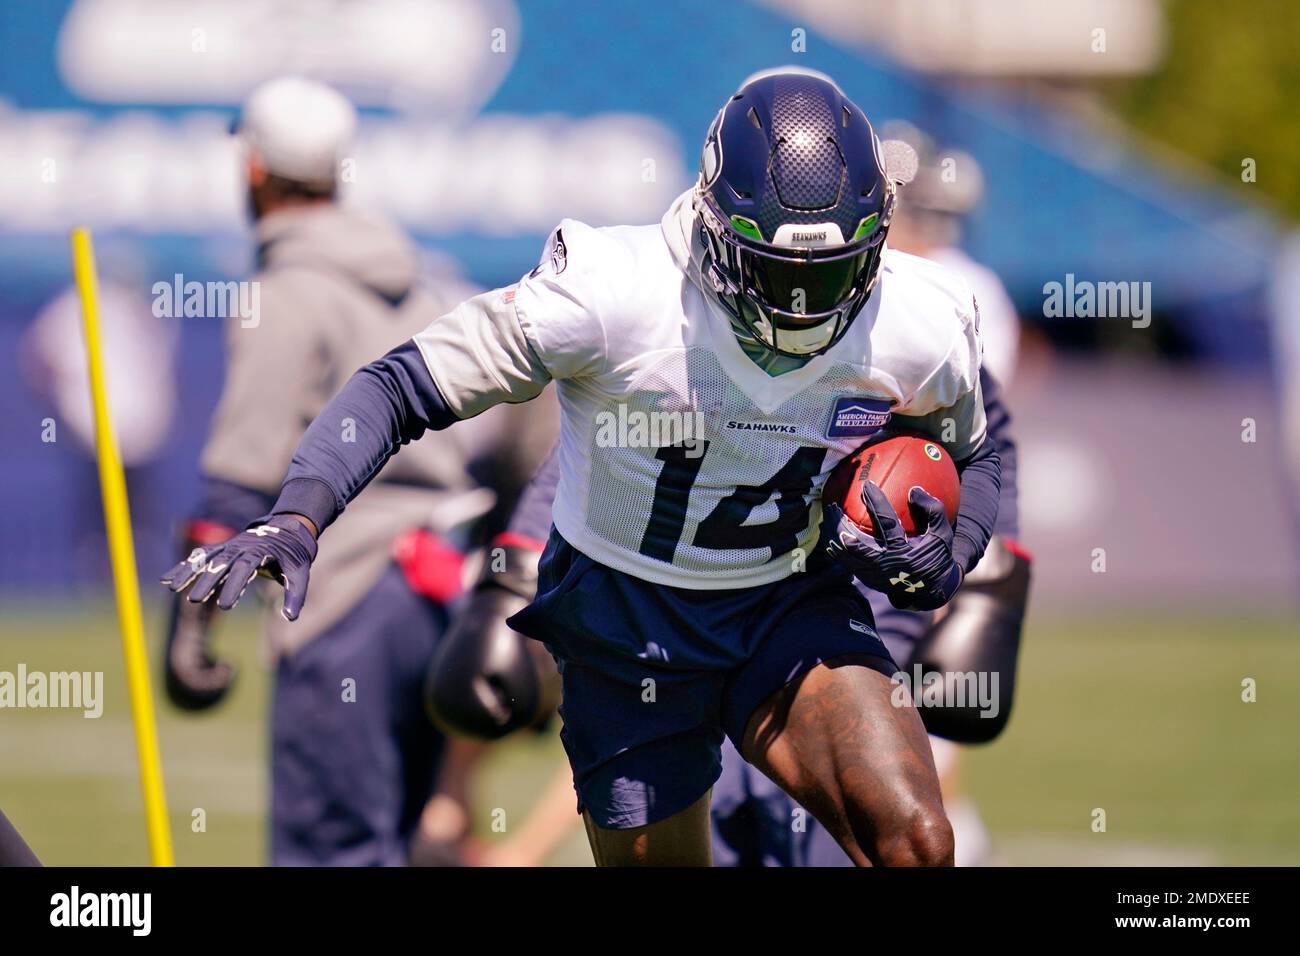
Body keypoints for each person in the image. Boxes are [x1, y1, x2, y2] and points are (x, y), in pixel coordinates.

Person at [163, 68, 1002, 866]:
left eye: (832, 275)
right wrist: (299, 511)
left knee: (916, 841)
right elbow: (402, 384)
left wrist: (951, 550)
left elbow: (980, 447)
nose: (801, 308)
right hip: (626, 621)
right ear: (713, 227)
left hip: (785, 601)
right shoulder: (613, 290)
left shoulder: (920, 317)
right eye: (775, 271)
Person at [162, 76, 535, 865]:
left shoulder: (285, 291)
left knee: (329, 849)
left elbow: (241, 469)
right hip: (435, 585)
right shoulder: (415, 277)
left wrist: (192, 615)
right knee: (398, 845)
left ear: (255, 168)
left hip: (343, 592)